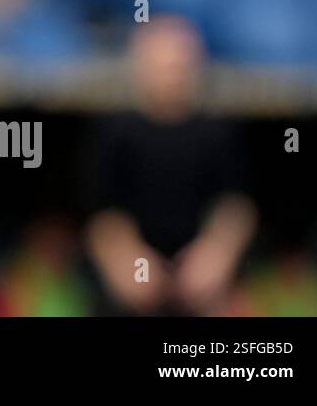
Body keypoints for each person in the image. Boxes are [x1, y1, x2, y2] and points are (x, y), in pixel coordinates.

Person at [84, 16, 257, 315]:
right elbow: (103, 214)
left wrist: (215, 256)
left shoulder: (218, 134)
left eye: (179, 66)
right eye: (162, 66)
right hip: (135, 279)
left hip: (201, 278)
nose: (172, 75)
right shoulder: (115, 133)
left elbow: (235, 206)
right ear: (141, 67)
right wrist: (128, 262)